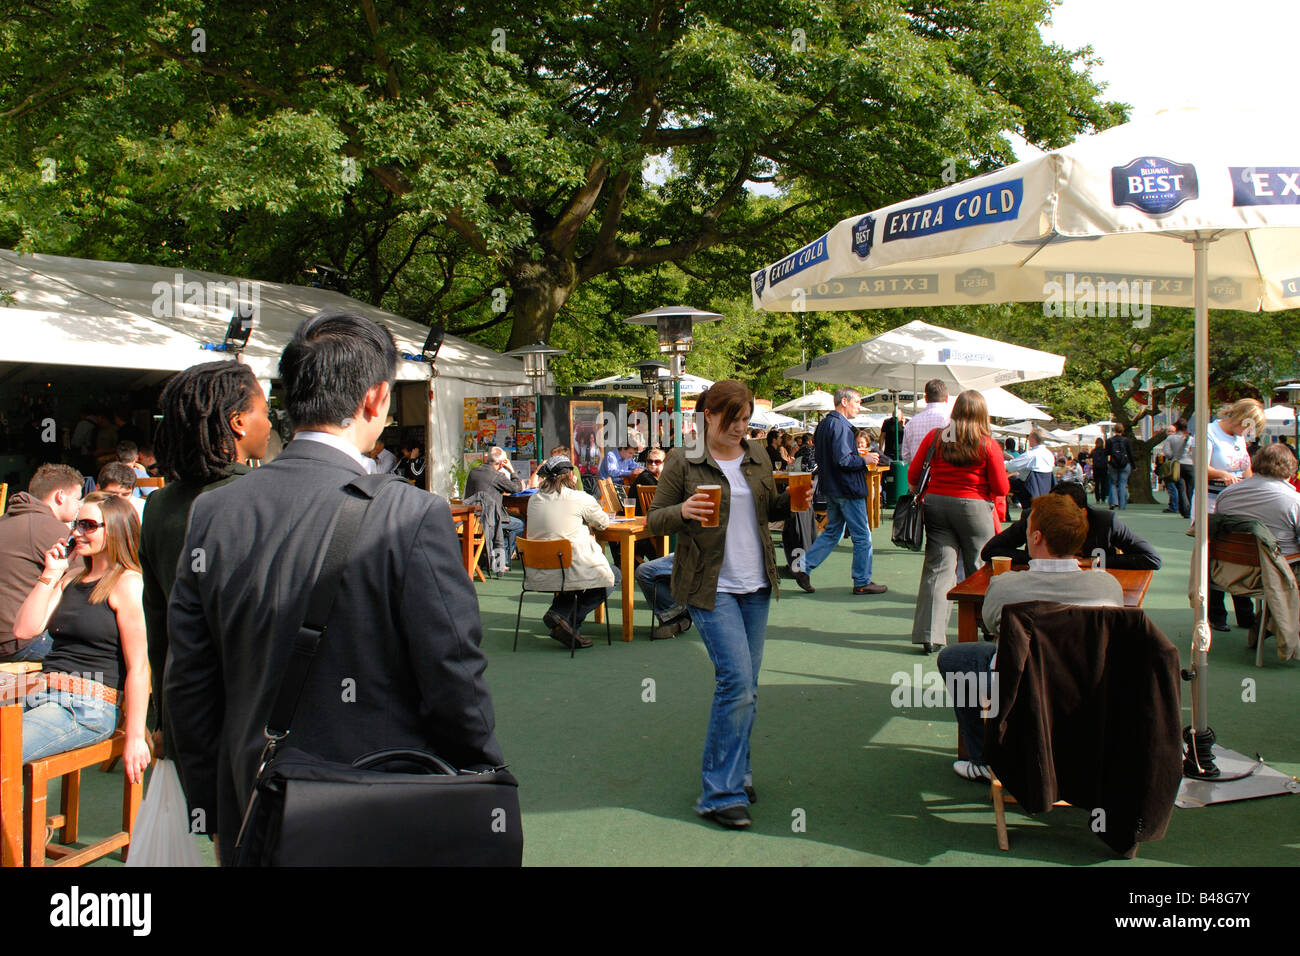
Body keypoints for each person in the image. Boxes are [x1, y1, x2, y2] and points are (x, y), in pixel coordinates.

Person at [167, 309, 505, 864]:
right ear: (375, 399)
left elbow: (189, 681)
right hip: (378, 801)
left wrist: (212, 804)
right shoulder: (411, 514)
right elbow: (453, 673)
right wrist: (481, 764)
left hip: (254, 803)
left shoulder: (214, 511)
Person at [647, 380, 796, 829]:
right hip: (709, 586)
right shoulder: (683, 458)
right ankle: (720, 792)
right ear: (707, 415)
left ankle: (740, 772)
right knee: (736, 682)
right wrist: (684, 511)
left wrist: (797, 501)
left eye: (746, 421)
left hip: (757, 584)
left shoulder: (758, 455)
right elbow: (655, 517)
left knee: (747, 687)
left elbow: (768, 509)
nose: (740, 429)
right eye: (732, 421)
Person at [937, 492, 1123, 782]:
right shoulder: (1108, 587)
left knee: (954, 658)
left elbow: (990, 625)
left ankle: (983, 759)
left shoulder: (1006, 587)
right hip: (1088, 687)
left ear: (1035, 537)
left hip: (1021, 687)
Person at [139, 361, 270, 756]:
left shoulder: (159, 506)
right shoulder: (263, 495)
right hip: (256, 710)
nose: (270, 423)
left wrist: (161, 718)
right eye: (264, 412)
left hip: (188, 705)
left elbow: (157, 620)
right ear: (238, 422)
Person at [11, 491, 150, 784]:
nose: (76, 532)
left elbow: (139, 667)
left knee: (4, 752)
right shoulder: (68, 579)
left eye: (88, 525)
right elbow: (24, 630)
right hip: (39, 690)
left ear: (115, 528)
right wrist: (50, 573)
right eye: (76, 524)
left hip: (87, 704)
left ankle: (17, 830)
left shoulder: (127, 583)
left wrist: (136, 736)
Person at [909, 390, 1010, 654]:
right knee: (980, 567)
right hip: (974, 506)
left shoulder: (936, 437)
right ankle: (987, 626)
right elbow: (1001, 487)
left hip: (936, 504)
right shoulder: (987, 444)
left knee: (938, 568)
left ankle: (930, 635)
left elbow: (913, 473)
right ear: (981, 413)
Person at [794, 387, 886, 595]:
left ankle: (803, 566)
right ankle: (862, 581)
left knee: (833, 531)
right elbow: (844, 460)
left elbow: (827, 457)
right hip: (847, 488)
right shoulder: (840, 427)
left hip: (832, 487)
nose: (859, 407)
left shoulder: (825, 424)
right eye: (857, 402)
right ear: (844, 401)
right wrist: (865, 459)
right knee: (862, 535)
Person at [525, 454, 619, 650]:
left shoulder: (534, 499)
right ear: (569, 475)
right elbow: (602, 523)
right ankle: (569, 620)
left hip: (538, 568)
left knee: (575, 572)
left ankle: (562, 619)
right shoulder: (579, 497)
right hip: (568, 566)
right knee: (613, 575)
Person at [1208, 441, 1300, 634]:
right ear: (1290, 467)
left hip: (1228, 570)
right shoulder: (1293, 501)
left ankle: (1268, 622)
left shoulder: (1226, 495)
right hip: (1276, 574)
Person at [0, 464, 83, 662]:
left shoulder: (7, 519)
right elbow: (86, 574)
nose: (80, 505)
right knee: (101, 651)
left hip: (8, 638)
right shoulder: (46, 527)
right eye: (77, 498)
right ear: (61, 496)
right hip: (19, 642)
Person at [981, 482, 1162, 571]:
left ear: (1082, 513)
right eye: (1052, 509)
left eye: (1064, 512)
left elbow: (1152, 559)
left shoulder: (1106, 522)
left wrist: (1094, 562)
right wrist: (1038, 557)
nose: (1055, 517)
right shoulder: (1035, 517)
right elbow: (990, 550)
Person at [1187, 398, 1267, 515]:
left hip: (1237, 499)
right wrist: (1222, 474)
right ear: (1241, 419)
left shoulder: (1240, 437)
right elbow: (1200, 467)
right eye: (1249, 428)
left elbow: (1246, 468)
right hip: (1211, 500)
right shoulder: (1207, 432)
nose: (1249, 433)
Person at [463, 446, 524, 565]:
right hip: (490, 519)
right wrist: (511, 470)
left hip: (472, 519)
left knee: (511, 519)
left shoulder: (474, 471)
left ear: (486, 458)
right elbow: (517, 488)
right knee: (519, 524)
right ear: (502, 463)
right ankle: (502, 560)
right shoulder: (497, 476)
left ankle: (492, 557)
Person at [1005, 428, 1056, 514]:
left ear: (1033, 439)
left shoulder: (1031, 454)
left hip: (1030, 491)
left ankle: (1005, 512)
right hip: (1045, 491)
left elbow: (1010, 467)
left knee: (1005, 483)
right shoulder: (1049, 454)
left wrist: (1004, 461)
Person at [901, 379, 951, 462]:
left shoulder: (911, 423)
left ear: (926, 398)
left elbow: (906, 456)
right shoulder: (951, 419)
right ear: (947, 398)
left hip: (919, 473)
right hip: (945, 473)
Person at [1105, 423, 1137, 510]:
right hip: (1125, 464)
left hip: (1113, 464)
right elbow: (1130, 454)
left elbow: (1106, 453)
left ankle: (1114, 502)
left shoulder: (1109, 441)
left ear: (1114, 430)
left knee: (1113, 483)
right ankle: (1122, 505)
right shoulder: (1126, 441)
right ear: (1122, 430)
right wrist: (1134, 466)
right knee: (1122, 484)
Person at [1090, 437, 1109, 505]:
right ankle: (1103, 498)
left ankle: (1097, 499)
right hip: (1103, 468)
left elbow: (1089, 457)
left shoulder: (1093, 451)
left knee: (1097, 484)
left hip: (1096, 468)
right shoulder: (1105, 451)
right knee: (1103, 483)